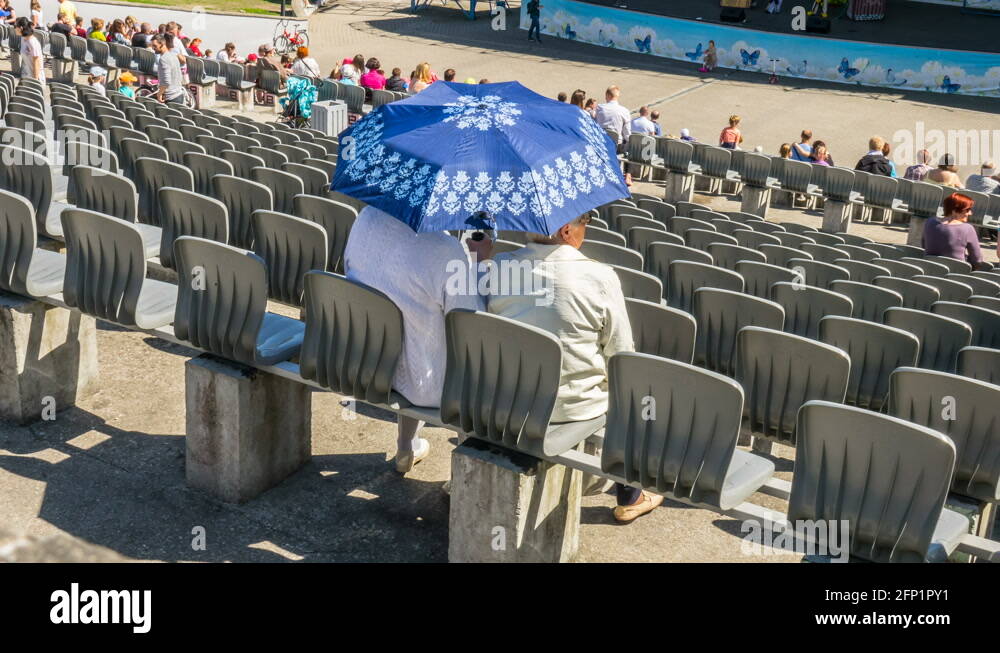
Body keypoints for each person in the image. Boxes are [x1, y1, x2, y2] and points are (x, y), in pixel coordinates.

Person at [487, 215, 662, 523]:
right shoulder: (600, 276)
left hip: (506, 400)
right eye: (586, 223)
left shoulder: (500, 266)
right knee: (635, 386)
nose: (587, 230)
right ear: (567, 229)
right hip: (570, 410)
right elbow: (621, 353)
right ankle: (630, 495)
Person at [342, 206, 486, 473]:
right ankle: (462, 476)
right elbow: (469, 321)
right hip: (422, 384)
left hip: (364, 362)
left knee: (412, 325)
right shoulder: (445, 249)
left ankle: (406, 444)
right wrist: (476, 265)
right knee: (474, 366)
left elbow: (350, 269)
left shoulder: (367, 217)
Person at [923, 193, 983, 268]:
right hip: (956, 272)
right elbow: (977, 260)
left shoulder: (930, 222)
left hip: (929, 268)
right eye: (967, 210)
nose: (970, 213)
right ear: (954, 211)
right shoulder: (968, 228)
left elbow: (924, 246)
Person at [152, 34, 185, 104]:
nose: (153, 48)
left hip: (171, 98)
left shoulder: (163, 59)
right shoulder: (174, 56)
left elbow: (166, 82)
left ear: (162, 44)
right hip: (179, 94)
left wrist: (159, 94)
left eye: (155, 46)